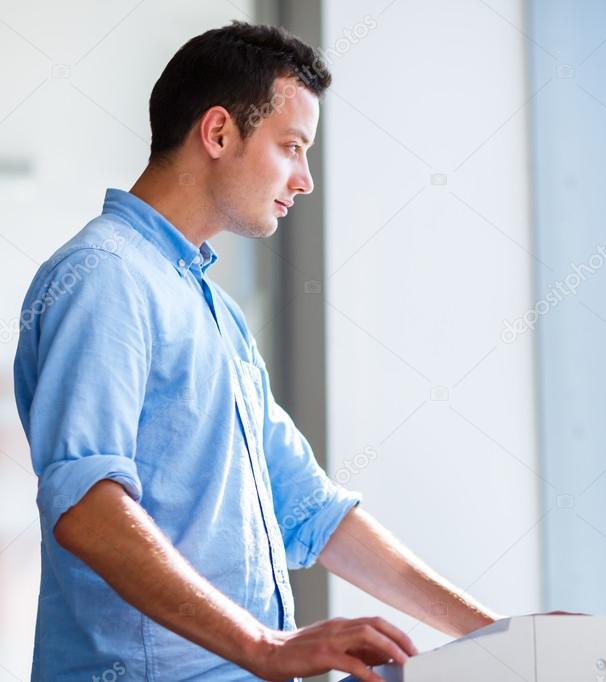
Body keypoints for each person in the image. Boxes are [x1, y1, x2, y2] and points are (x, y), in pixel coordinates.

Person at [14, 21, 500, 681]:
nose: (303, 180)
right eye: (292, 147)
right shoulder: (105, 275)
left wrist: (495, 637)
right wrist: (264, 646)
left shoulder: (214, 311)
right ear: (218, 133)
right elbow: (85, 507)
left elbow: (312, 508)